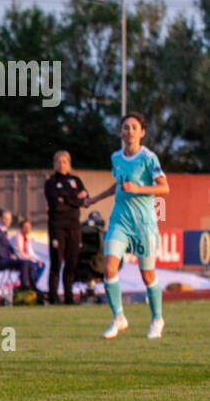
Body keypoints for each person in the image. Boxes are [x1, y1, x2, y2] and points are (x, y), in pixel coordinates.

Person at [84, 112, 170, 339]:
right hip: (120, 221)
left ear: (142, 132)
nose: (129, 131)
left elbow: (164, 188)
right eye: (125, 127)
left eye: (134, 127)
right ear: (120, 132)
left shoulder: (149, 158)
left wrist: (138, 189)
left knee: (147, 275)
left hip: (144, 224)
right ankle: (119, 317)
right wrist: (95, 199)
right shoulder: (116, 158)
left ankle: (157, 320)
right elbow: (118, 185)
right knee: (109, 268)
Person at [44, 150, 89, 305]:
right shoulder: (50, 183)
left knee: (72, 261)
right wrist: (75, 198)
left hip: (74, 226)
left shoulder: (76, 180)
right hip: (57, 226)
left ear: (69, 164)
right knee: (57, 260)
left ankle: (69, 296)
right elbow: (56, 204)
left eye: (64, 162)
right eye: (58, 161)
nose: (61, 164)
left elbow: (85, 199)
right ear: (54, 164)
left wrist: (67, 198)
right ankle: (53, 296)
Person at [0, 211, 36, 290]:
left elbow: (8, 248)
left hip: (7, 259)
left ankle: (33, 287)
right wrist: (10, 256)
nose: (9, 221)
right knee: (24, 263)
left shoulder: (3, 232)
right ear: (1, 219)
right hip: (2, 261)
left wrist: (12, 254)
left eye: (10, 219)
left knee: (29, 263)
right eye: (6, 219)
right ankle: (25, 287)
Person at [10, 219, 45, 288]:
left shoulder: (26, 238)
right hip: (19, 260)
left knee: (41, 265)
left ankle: (32, 285)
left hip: (27, 259)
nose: (28, 229)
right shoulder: (17, 238)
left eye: (29, 227)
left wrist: (38, 259)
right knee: (34, 265)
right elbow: (20, 254)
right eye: (25, 227)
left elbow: (31, 253)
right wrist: (32, 260)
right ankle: (29, 286)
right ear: (21, 228)